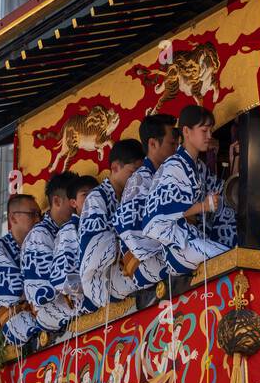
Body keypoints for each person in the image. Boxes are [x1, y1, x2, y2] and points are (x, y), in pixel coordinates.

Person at [143, 105, 237, 277]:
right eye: (204, 130)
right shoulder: (174, 165)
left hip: (195, 239)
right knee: (230, 260)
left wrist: (235, 159)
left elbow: (226, 192)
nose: (209, 136)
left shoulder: (198, 166)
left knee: (233, 249)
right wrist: (204, 206)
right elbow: (166, 209)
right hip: (179, 246)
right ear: (186, 131)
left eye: (211, 130)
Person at [78, 139, 145, 310]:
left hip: (130, 263)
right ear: (115, 167)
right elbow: (96, 248)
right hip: (104, 278)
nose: (137, 178)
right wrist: (129, 239)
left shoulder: (130, 195)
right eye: (133, 172)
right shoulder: (96, 198)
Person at [114, 115, 180, 286]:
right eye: (172, 144)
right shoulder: (140, 180)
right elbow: (132, 233)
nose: (177, 149)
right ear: (152, 144)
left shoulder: (167, 174)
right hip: (146, 263)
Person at [22, 172, 80, 334]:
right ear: (56, 201)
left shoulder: (68, 228)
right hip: (51, 309)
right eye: (72, 202)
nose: (77, 206)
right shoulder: (40, 236)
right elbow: (41, 291)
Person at [0, 193, 42, 347]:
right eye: (32, 214)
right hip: (17, 323)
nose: (38, 219)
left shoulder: (37, 244)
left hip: (38, 314)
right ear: (13, 218)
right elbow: (13, 293)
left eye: (39, 214)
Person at [51, 174, 100, 315]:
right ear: (73, 203)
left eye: (95, 194)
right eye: (85, 195)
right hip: (85, 301)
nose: (91, 198)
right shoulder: (68, 230)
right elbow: (65, 275)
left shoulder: (102, 219)